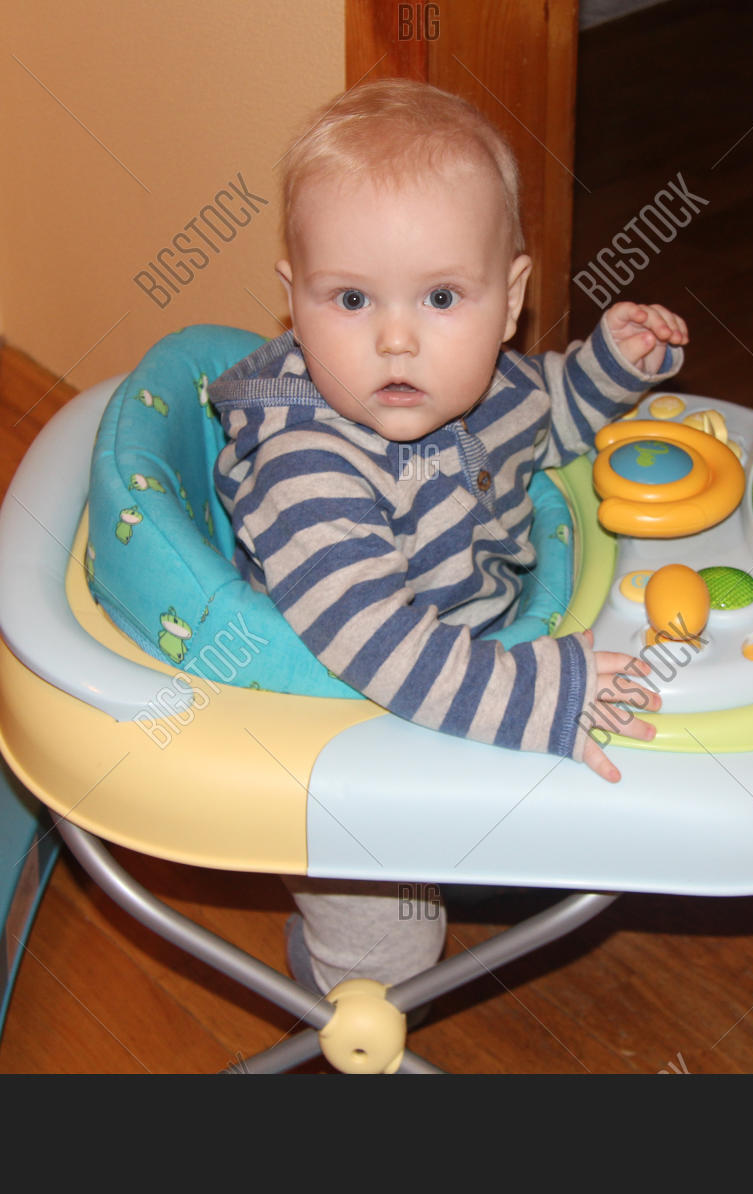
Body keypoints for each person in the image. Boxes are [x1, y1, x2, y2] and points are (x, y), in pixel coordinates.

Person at [210, 78, 689, 1003]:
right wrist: (541, 695)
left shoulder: (483, 387)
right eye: (351, 299)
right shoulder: (306, 466)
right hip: (332, 726)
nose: (396, 339)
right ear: (294, 302)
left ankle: (476, 843)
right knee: (394, 953)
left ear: (509, 301)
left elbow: (546, 417)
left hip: (471, 664)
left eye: (440, 296)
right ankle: (330, 975)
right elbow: (373, 641)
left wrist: (610, 368)